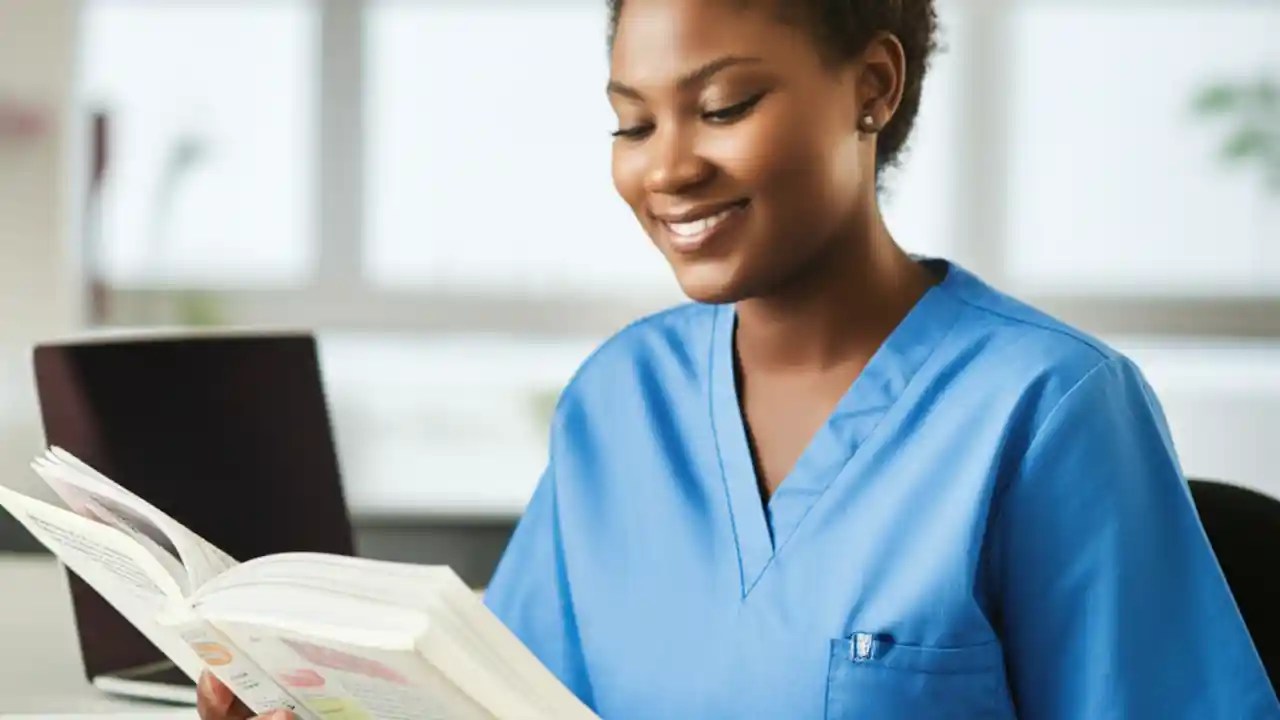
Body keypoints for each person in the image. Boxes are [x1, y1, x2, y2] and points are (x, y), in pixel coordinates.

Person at [198, 0, 1280, 718]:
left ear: (872, 85)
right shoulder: (618, 402)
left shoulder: (1046, 410)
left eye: (721, 107)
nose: (668, 169)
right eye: (631, 125)